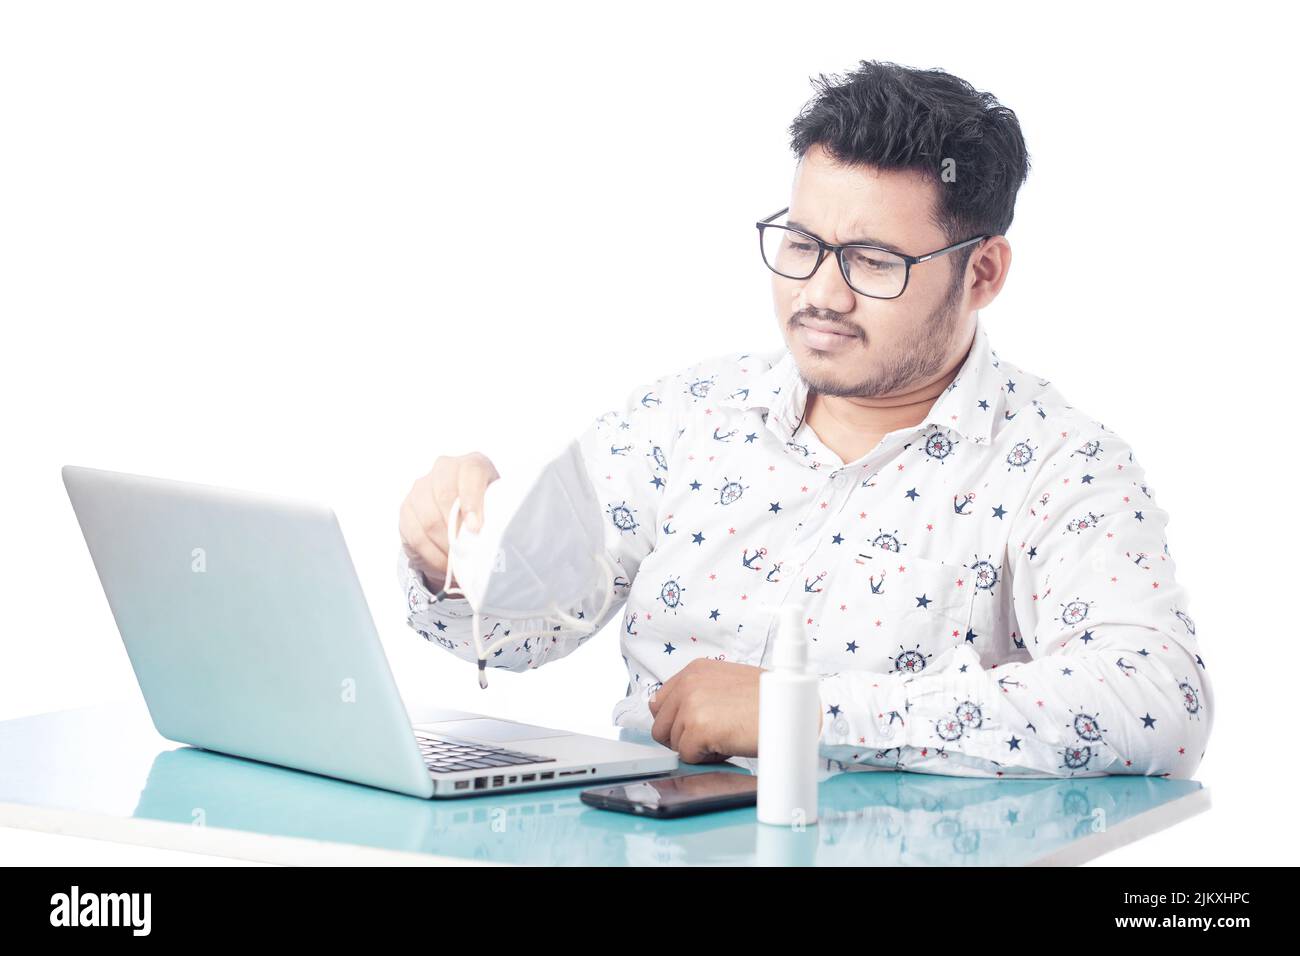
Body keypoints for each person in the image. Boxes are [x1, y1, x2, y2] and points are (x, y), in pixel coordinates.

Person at [398, 60, 1213, 779]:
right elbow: (510, 634)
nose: (821, 293)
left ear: (984, 272)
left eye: (872, 261)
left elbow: (1157, 697)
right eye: (801, 244)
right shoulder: (688, 418)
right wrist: (455, 554)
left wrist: (804, 712)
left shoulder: (1058, 463)